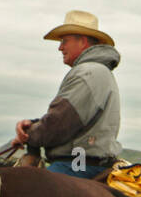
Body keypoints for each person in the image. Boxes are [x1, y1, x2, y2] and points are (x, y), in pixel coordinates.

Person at [14, 10, 121, 178]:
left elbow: (59, 122)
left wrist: (30, 135)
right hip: (88, 162)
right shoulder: (98, 72)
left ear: (83, 41)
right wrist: (34, 126)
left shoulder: (86, 73)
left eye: (65, 41)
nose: (60, 47)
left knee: (25, 196)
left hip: (77, 165)